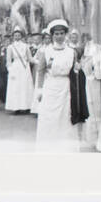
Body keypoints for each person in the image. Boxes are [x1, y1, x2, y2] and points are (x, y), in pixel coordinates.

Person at [33, 19, 81, 151]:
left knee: (65, 116)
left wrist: (77, 69)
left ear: (65, 34)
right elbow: (41, 71)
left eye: (61, 33)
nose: (59, 36)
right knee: (50, 117)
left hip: (66, 87)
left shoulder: (72, 52)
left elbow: (75, 71)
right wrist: (40, 89)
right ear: (52, 35)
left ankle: (66, 146)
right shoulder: (46, 51)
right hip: (50, 86)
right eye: (56, 34)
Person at [4, 27, 34, 113]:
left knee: (25, 86)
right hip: (15, 68)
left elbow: (30, 58)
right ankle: (15, 107)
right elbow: (8, 61)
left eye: (19, 35)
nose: (17, 37)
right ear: (13, 36)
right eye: (15, 35)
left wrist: (38, 62)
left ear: (21, 36)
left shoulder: (26, 46)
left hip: (25, 67)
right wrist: (10, 70)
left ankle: (26, 106)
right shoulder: (10, 47)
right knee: (16, 87)